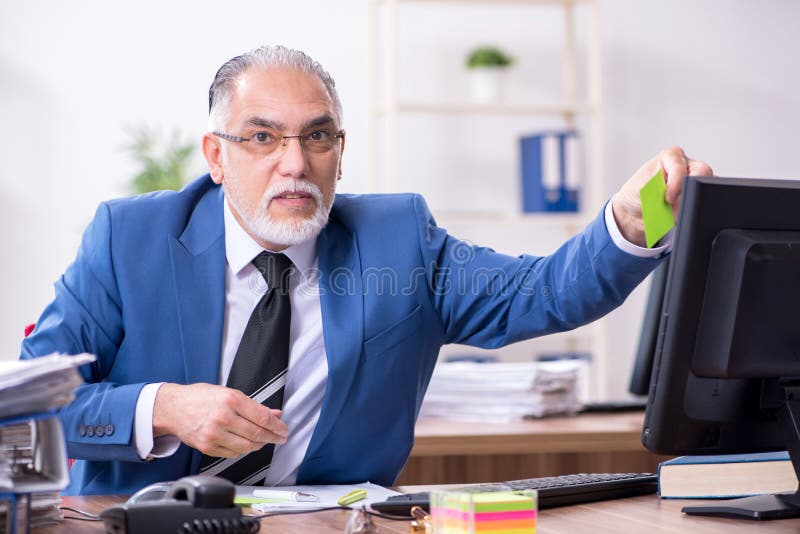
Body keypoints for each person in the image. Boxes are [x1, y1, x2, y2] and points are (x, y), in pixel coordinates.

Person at [21, 45, 712, 495]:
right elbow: (29, 411)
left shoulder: (397, 241)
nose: (295, 163)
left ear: (339, 151)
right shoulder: (129, 238)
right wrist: (161, 409)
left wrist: (636, 218)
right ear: (216, 155)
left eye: (316, 136)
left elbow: (546, 293)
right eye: (263, 137)